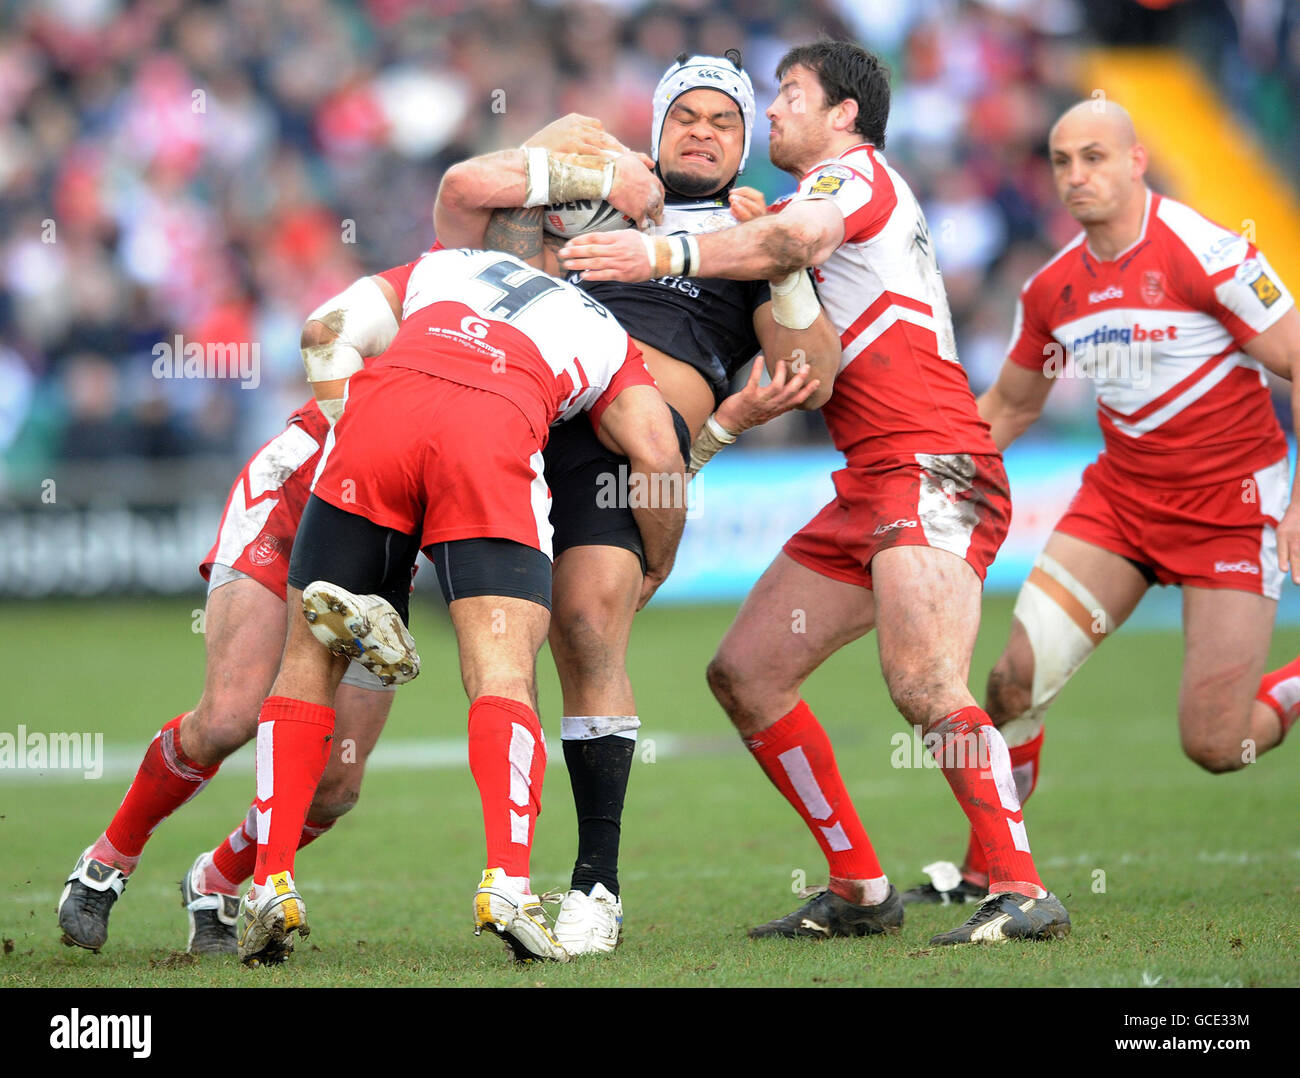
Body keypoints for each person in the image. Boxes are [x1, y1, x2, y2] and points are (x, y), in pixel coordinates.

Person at [559, 39, 1070, 945]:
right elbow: (787, 269)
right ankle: (861, 890)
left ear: (843, 114)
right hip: (870, 481)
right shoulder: (801, 201)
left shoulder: (858, 174)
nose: (774, 111)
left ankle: (1022, 888)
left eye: (789, 95)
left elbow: (792, 239)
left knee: (923, 681)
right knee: (746, 675)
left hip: (936, 464)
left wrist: (656, 252)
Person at [432, 52, 841, 953]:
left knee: (584, 627)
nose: (703, 130)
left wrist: (778, 262)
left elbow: (813, 373)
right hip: (515, 424)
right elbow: (467, 207)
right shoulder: (599, 192)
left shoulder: (756, 233)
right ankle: (252, 867)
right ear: (656, 128)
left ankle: (596, 887)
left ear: (746, 141)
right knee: (447, 651)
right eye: (685, 115)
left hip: (625, 460)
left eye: (724, 120)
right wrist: (582, 167)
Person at [237, 246, 687, 966]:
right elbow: (658, 453)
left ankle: (268, 885)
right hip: (490, 432)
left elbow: (323, 332)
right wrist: (659, 558)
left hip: (377, 419)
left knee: (307, 660)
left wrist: (356, 435)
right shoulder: (602, 323)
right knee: (501, 671)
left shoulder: (443, 263)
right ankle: (507, 883)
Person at [900, 99, 1300, 905]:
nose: (1077, 176)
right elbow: (1009, 406)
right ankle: (991, 869)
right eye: (1062, 161)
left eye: (1094, 157)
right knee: (1012, 683)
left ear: (1135, 161)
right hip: (1120, 505)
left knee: (1218, 745)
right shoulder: (1054, 287)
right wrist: (921, 479)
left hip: (1232, 508)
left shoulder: (1210, 254)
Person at [55, 393, 400, 956]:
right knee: (228, 718)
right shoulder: (422, 311)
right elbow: (324, 334)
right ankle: (107, 861)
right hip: (293, 505)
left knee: (335, 788)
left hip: (380, 548)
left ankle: (215, 880)